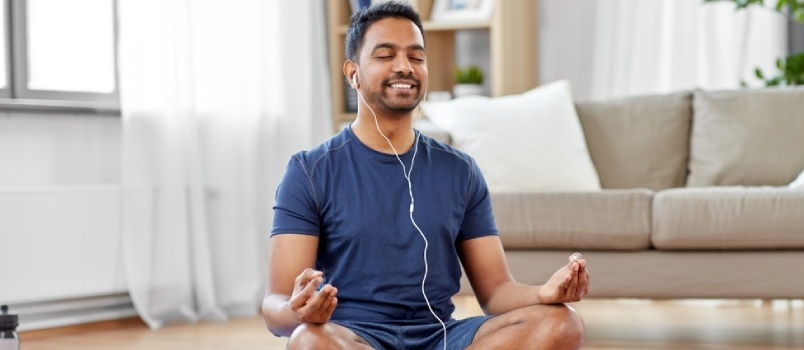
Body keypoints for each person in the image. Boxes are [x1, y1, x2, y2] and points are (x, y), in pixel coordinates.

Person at [262, 2, 590, 349]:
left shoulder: (459, 170)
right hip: (353, 338)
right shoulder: (309, 171)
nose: (404, 66)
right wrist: (296, 310)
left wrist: (545, 292)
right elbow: (275, 305)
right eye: (386, 55)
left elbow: (495, 292)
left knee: (562, 322)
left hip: (442, 337)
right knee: (308, 342)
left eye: (416, 57)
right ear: (353, 73)